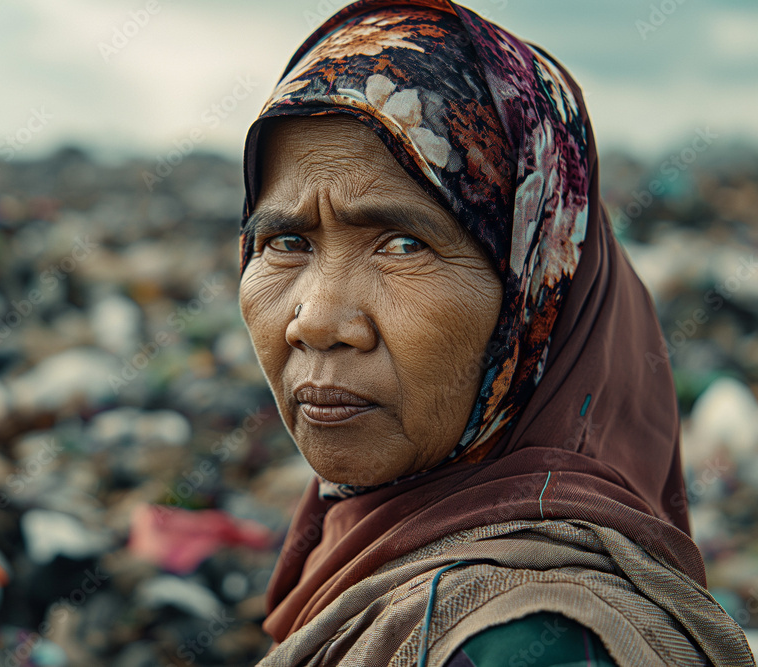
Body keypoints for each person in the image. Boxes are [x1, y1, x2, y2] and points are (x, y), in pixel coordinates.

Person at [236, 1, 756, 665]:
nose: (317, 320)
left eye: (401, 244)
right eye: (285, 240)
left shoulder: (531, 640)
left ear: (533, 293)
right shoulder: (358, 562)